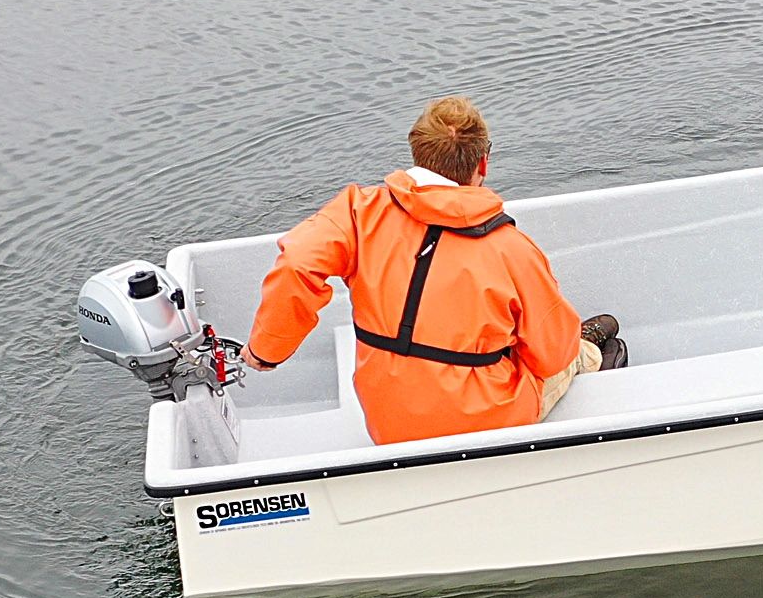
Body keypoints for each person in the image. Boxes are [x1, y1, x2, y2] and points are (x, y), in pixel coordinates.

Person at [241, 96, 624, 446]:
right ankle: (591, 354)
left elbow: (297, 264)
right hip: (485, 421)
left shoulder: (357, 213)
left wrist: (267, 350)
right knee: (566, 353)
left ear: (417, 152)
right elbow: (551, 355)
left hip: (388, 421)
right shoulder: (511, 248)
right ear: (483, 163)